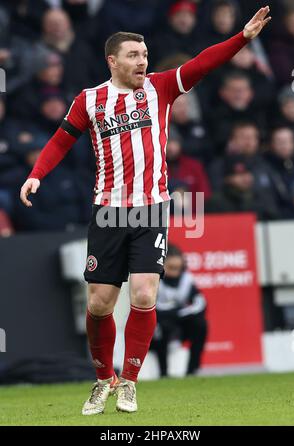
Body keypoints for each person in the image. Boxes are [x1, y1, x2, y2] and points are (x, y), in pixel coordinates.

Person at [20, 7, 272, 414]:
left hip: (150, 209)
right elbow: (61, 140)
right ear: (113, 61)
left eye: (145, 53)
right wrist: (36, 174)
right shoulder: (90, 100)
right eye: (134, 55)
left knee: (143, 293)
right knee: (100, 303)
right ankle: (104, 379)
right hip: (108, 211)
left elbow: (203, 63)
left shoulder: (160, 88)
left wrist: (241, 37)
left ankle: (130, 383)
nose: (143, 61)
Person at [151, 244, 208, 377]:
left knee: (201, 325)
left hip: (180, 321)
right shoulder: (154, 280)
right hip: (159, 326)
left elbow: (201, 304)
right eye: (171, 268)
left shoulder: (187, 279)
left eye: (178, 268)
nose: (175, 272)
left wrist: (179, 313)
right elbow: (153, 308)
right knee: (160, 327)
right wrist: (173, 312)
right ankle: (164, 373)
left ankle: (192, 370)